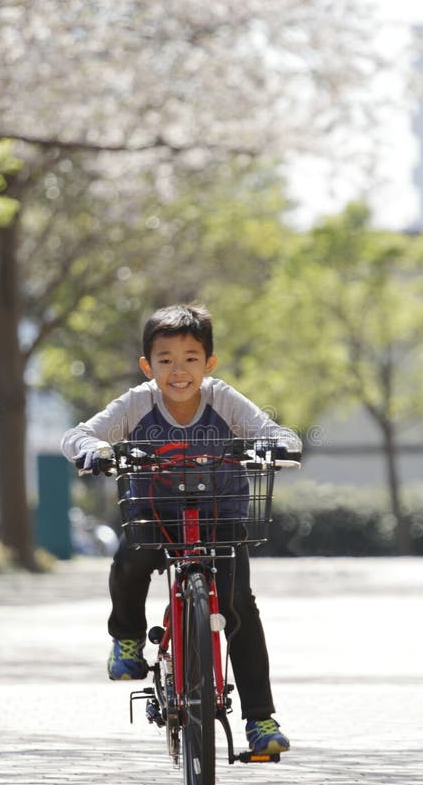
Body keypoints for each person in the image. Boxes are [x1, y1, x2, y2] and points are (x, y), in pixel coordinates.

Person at [60, 304, 302, 754]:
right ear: (147, 365)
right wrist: (94, 449)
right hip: (155, 512)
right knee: (129, 561)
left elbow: (274, 431)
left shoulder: (223, 399)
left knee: (238, 607)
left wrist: (278, 443)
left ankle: (260, 720)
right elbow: (77, 435)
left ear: (208, 364)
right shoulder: (137, 402)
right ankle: (129, 638)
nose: (178, 370)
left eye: (191, 358)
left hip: (219, 515)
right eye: (165, 359)